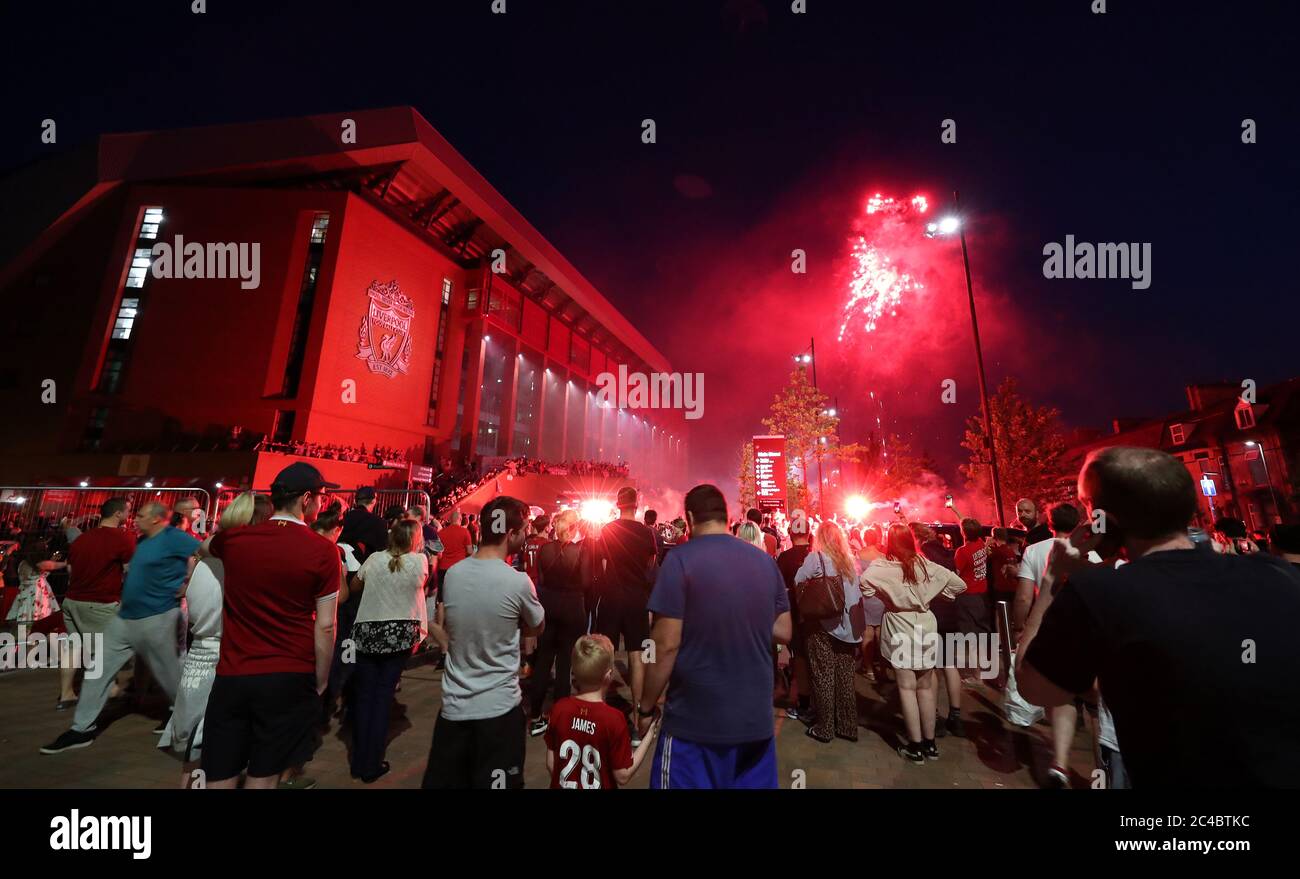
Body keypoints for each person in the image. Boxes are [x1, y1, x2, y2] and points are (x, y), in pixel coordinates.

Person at [1018, 446, 1300, 788]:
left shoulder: (1100, 592)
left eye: (1087, 505)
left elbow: (1033, 688)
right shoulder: (1277, 574)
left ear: (1104, 518)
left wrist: (1051, 581)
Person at [197, 463, 342, 789]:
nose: (321, 503)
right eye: (321, 496)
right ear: (307, 499)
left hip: (233, 674)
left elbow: (205, 547)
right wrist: (320, 682)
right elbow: (326, 626)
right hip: (287, 674)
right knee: (263, 776)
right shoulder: (323, 551)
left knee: (219, 773)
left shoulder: (235, 540)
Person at [637, 484, 792, 789]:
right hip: (756, 724)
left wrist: (645, 706)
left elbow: (665, 645)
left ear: (690, 518)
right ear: (726, 516)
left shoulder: (680, 560)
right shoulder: (763, 562)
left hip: (694, 726)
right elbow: (784, 631)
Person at [42, 501, 199, 754]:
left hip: (157, 618)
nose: (135, 518)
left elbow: (205, 550)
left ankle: (194, 725)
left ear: (157, 519)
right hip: (125, 618)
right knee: (97, 671)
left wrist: (189, 582)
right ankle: (81, 729)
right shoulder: (141, 540)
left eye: (141, 515)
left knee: (171, 677)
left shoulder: (174, 537)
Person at [422, 496, 544, 789]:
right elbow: (537, 625)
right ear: (511, 534)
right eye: (523, 529)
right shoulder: (517, 582)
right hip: (498, 712)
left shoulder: (454, 574)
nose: (526, 534)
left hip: (454, 709)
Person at [158, 492, 256, 788]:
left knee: (194, 749)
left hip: (198, 660)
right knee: (214, 746)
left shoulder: (200, 560)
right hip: (224, 660)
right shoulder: (237, 565)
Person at [861, 523, 967, 764]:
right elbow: (959, 585)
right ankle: (930, 745)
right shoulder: (924, 564)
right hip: (925, 624)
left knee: (906, 687)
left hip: (899, 624)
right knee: (925, 686)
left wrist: (885, 596)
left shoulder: (882, 567)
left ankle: (915, 745)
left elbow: (865, 584)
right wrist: (934, 594)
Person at [1015, 502, 1099, 787]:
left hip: (1048, 627)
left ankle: (1060, 763)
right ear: (1077, 522)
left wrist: (1020, 627)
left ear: (1048, 522)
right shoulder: (1094, 551)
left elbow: (1025, 597)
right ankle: (1103, 764)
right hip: (1087, 628)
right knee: (1095, 702)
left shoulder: (1034, 551)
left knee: (1060, 695)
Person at [350, 518, 430, 783]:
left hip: (368, 632)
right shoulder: (419, 562)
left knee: (364, 697)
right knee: (383, 697)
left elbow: (355, 587)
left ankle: (359, 760)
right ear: (415, 539)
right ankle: (371, 762)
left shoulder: (374, 559)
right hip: (398, 635)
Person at [545, 634, 658, 788]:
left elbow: (552, 764)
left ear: (575, 672)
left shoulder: (559, 709)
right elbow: (622, 775)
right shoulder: (613, 719)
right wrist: (649, 735)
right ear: (609, 676)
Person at [593, 486, 658, 744]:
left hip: (611, 595)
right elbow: (650, 565)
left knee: (605, 652)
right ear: (636, 503)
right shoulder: (646, 532)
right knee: (636, 654)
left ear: (618, 504)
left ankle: (599, 713)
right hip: (636, 598)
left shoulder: (608, 529)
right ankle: (637, 716)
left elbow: (604, 563)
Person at [60, 497, 137, 710]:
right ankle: (106, 692)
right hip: (99, 602)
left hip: (71, 599)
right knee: (104, 651)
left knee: (74, 647)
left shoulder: (81, 539)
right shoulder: (123, 538)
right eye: (128, 511)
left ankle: (66, 694)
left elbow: (70, 569)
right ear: (118, 514)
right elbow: (132, 570)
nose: (129, 515)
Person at [793, 520, 863, 744]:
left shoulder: (817, 558)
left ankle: (825, 727)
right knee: (844, 677)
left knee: (823, 674)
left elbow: (798, 580)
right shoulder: (850, 561)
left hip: (822, 623)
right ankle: (847, 726)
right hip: (848, 626)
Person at [526, 510, 591, 737]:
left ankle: (535, 716)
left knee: (543, 662)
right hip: (572, 607)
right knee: (565, 664)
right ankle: (560, 718)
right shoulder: (580, 551)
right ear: (572, 528)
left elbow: (542, 579)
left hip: (549, 605)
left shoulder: (545, 549)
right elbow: (585, 582)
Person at [776, 515, 814, 721]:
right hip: (818, 614)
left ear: (791, 534)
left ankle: (804, 700)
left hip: (794, 613)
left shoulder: (784, 557)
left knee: (799, 656)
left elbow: (779, 589)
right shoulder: (817, 555)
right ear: (809, 534)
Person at [856, 525, 888, 681]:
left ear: (864, 539)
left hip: (865, 597)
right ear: (876, 539)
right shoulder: (882, 556)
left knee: (867, 634)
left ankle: (869, 670)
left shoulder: (858, 555)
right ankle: (883, 669)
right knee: (881, 635)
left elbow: (856, 578)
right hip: (880, 597)